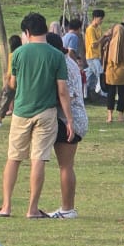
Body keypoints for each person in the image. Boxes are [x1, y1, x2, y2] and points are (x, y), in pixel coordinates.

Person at [0, 13, 75, 219]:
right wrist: (69, 119)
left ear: (27, 32)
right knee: (38, 159)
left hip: (21, 111)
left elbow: (12, 85)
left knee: (13, 158)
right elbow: (62, 91)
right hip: (46, 112)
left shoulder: (18, 54)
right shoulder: (57, 55)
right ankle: (32, 208)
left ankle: (6, 206)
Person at [45, 33, 85, 219]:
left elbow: (68, 95)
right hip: (74, 120)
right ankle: (67, 208)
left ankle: (68, 208)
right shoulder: (68, 62)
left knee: (65, 166)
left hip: (70, 121)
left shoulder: (63, 64)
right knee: (66, 165)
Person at [102, 21, 124, 123]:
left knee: (110, 94)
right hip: (122, 74)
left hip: (110, 73)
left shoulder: (108, 44)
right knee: (122, 95)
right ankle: (121, 116)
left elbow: (104, 59)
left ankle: (110, 116)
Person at [84, 9, 106, 100]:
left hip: (97, 56)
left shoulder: (98, 28)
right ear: (95, 18)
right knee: (100, 73)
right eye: (100, 19)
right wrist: (104, 36)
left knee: (90, 75)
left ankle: (89, 92)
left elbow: (101, 41)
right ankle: (104, 93)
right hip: (92, 56)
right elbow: (94, 44)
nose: (101, 21)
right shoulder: (90, 29)